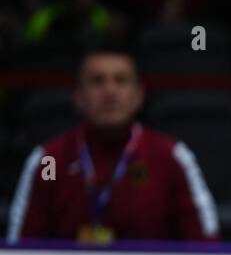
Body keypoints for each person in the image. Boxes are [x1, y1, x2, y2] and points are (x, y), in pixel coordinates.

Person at [7, 41, 219, 244]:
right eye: (97, 81)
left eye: (121, 80)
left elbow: (207, 248)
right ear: (79, 97)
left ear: (139, 95)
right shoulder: (49, 161)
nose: (109, 91)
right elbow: (20, 251)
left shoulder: (172, 158)